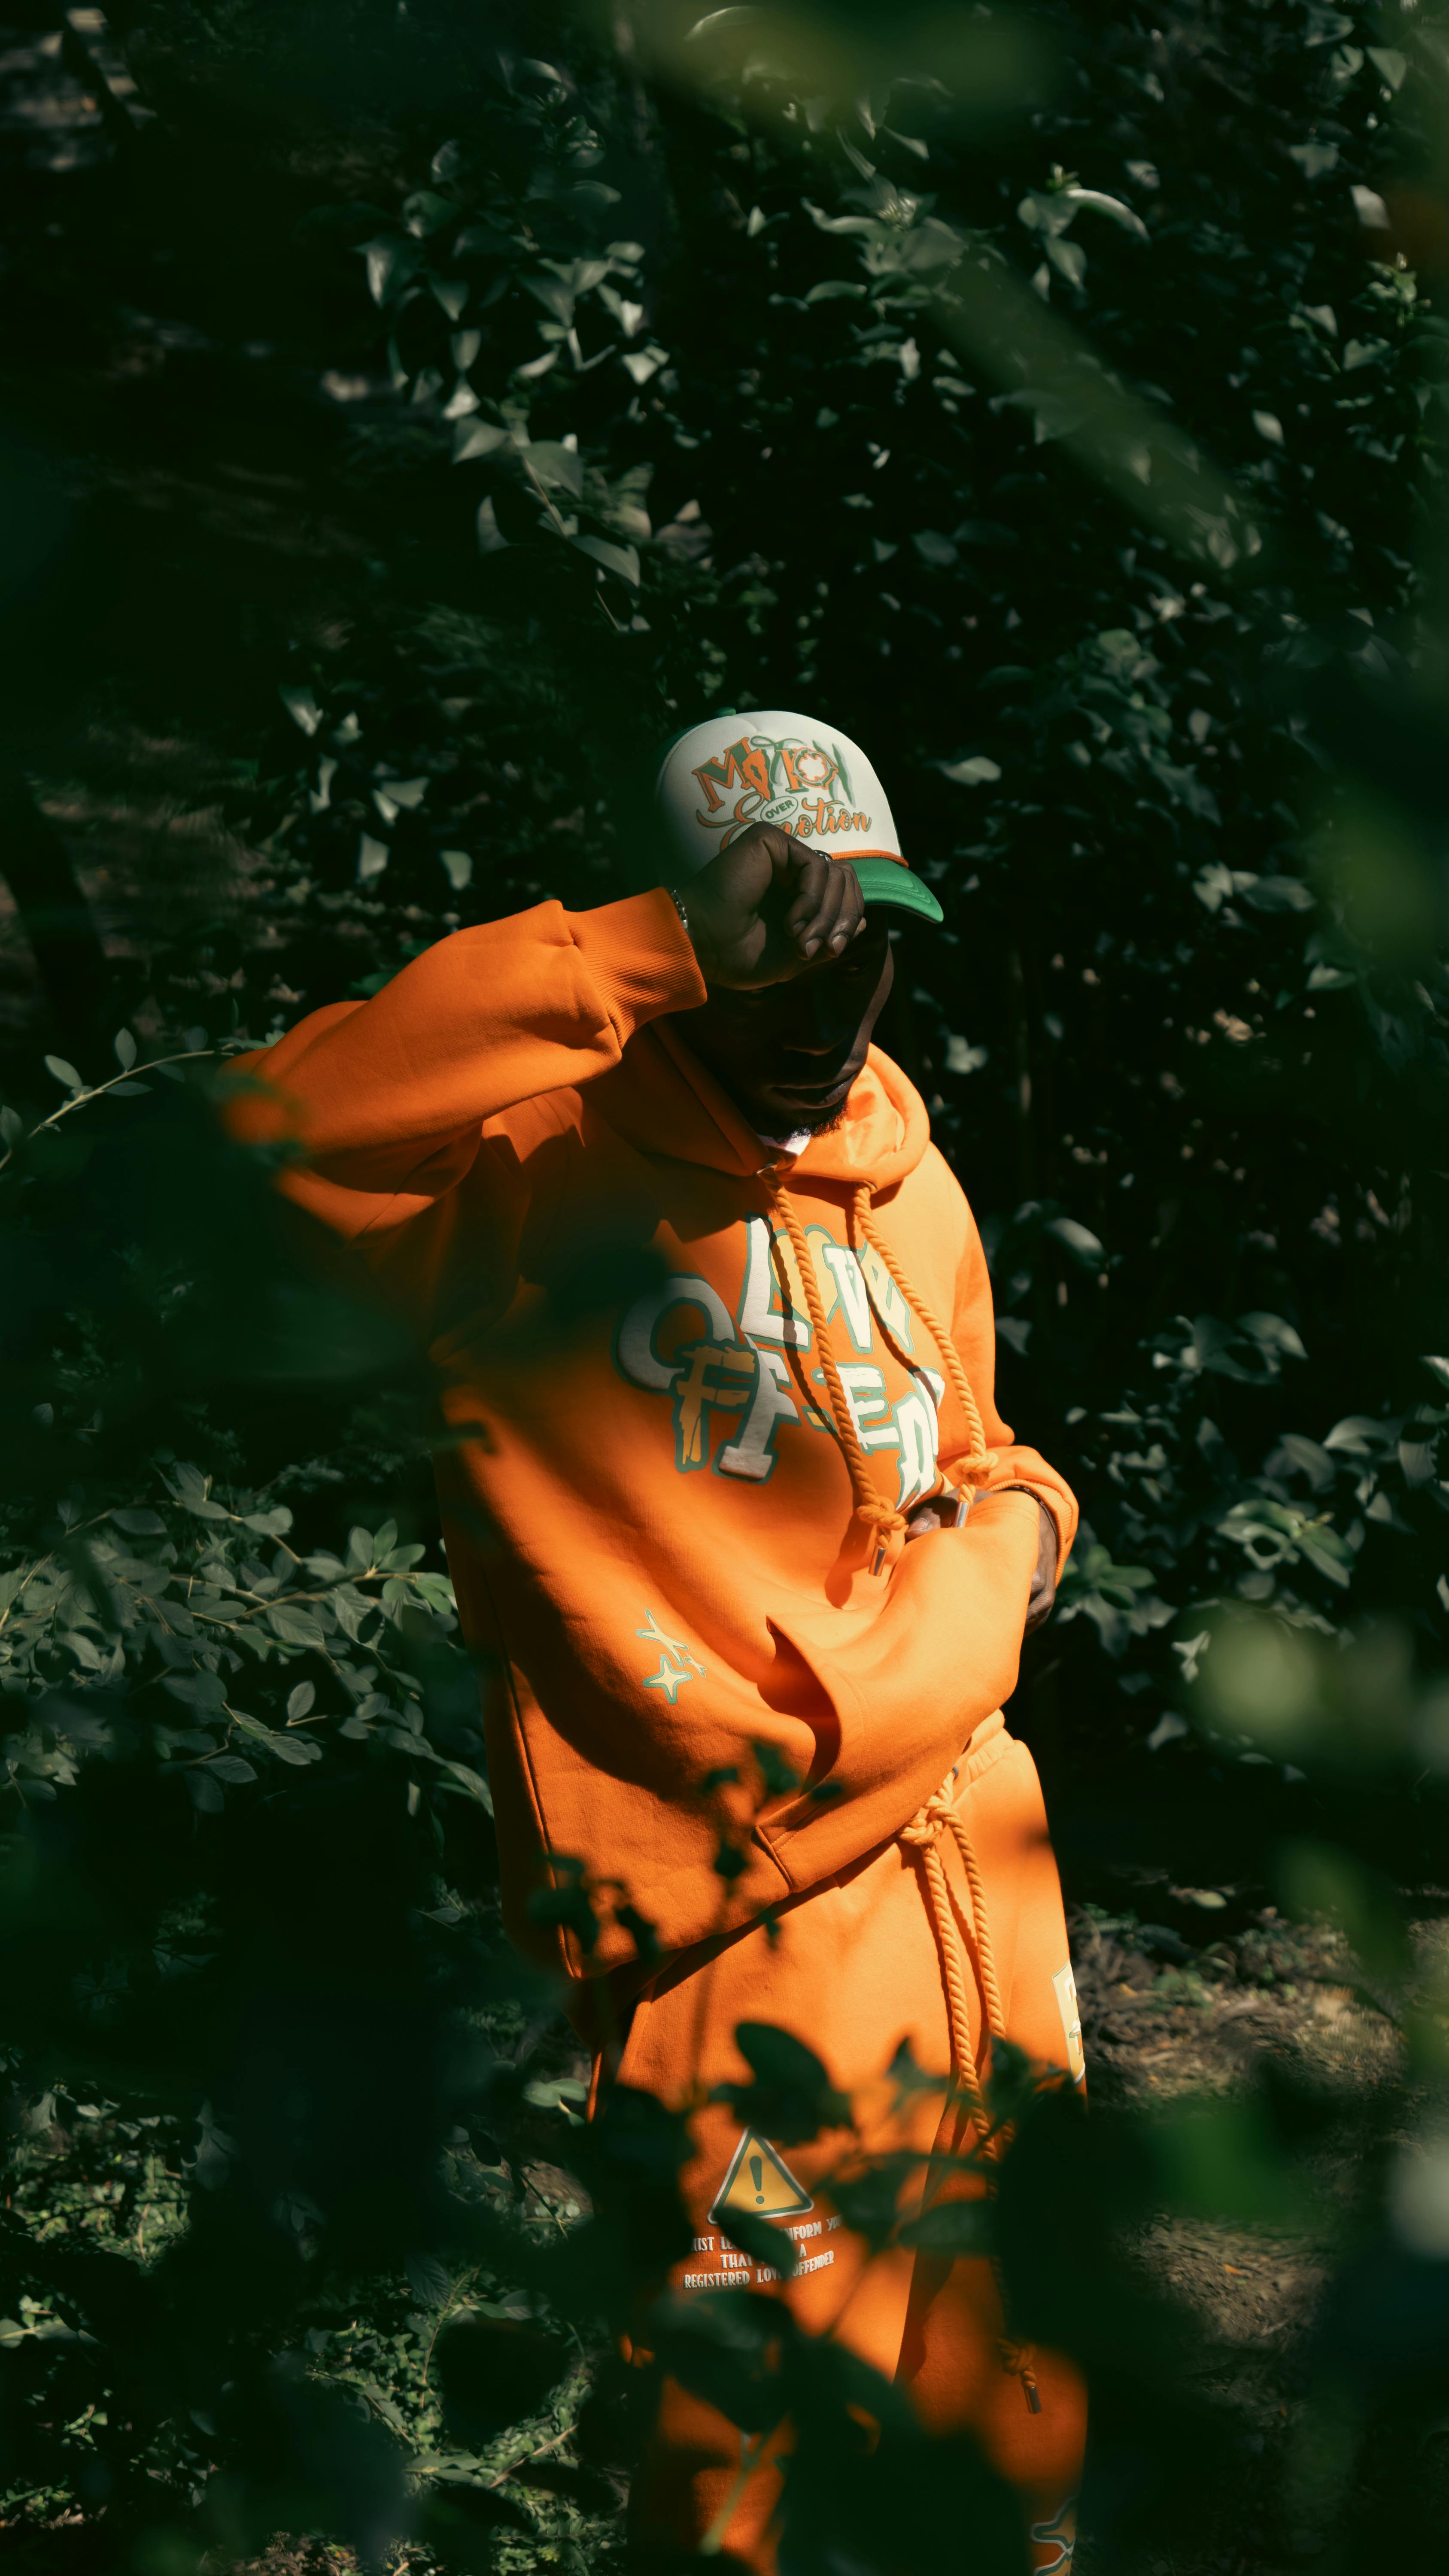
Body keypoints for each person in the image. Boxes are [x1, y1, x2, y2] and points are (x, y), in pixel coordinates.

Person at [225, 709, 1087, 2570]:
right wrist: (641, 951)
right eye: (771, 930)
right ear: (679, 937)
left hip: (981, 1896)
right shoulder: (521, 1176)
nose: (829, 980)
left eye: (864, 928)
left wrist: (1029, 1522)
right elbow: (275, 1142)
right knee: (739, 2458)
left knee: (1006, 2424)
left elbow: (977, 1450)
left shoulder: (910, 1185)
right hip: (741, 1930)